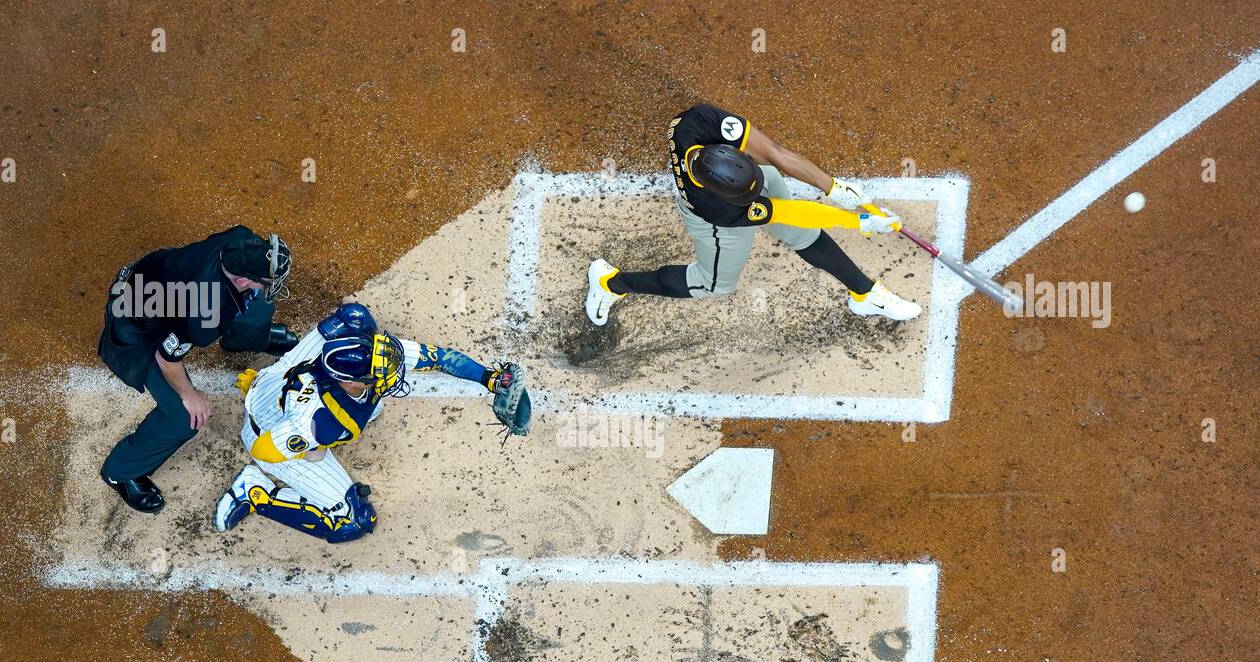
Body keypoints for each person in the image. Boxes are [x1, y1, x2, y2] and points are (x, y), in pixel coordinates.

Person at [213, 303, 528, 542]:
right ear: (349, 384)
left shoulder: (364, 345)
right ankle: (254, 491)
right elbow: (269, 449)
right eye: (377, 377)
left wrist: (490, 379)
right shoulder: (321, 422)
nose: (391, 374)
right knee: (355, 521)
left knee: (355, 319)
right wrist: (313, 450)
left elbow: (440, 358)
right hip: (268, 432)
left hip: (275, 381)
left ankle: (262, 389)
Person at [585, 103, 921, 326]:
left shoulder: (698, 121)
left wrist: (833, 187)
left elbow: (773, 153)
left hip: (732, 186)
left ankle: (864, 294)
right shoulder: (716, 206)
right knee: (712, 284)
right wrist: (860, 221)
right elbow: (793, 211)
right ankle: (612, 283)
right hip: (716, 225)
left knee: (800, 236)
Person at [98, 226, 300, 513]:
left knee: (258, 305)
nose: (277, 280)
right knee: (183, 418)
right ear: (242, 278)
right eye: (268, 278)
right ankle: (121, 471)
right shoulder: (204, 314)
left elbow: (243, 287)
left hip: (158, 277)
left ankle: (250, 337)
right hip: (136, 326)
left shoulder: (240, 240)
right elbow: (167, 358)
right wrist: (189, 394)